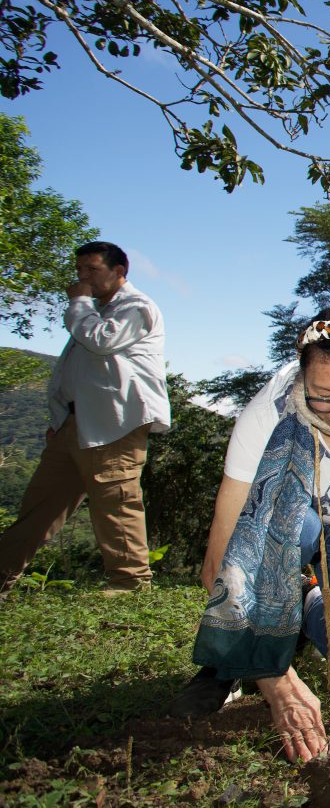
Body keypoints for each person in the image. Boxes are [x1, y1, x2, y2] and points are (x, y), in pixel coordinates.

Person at [169, 306, 330, 763]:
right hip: (282, 529)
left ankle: (302, 604)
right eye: (325, 397)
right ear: (301, 373)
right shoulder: (270, 408)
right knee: (293, 528)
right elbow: (221, 560)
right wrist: (279, 684)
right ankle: (228, 663)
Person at [0, 242, 170, 595]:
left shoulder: (136, 308)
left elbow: (101, 341)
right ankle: (3, 573)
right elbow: (72, 371)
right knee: (41, 504)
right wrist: (59, 417)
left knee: (116, 506)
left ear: (120, 272)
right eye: (80, 270)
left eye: (92, 270)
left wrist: (78, 302)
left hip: (116, 424)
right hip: (74, 425)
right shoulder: (93, 311)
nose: (83, 277)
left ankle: (129, 585)